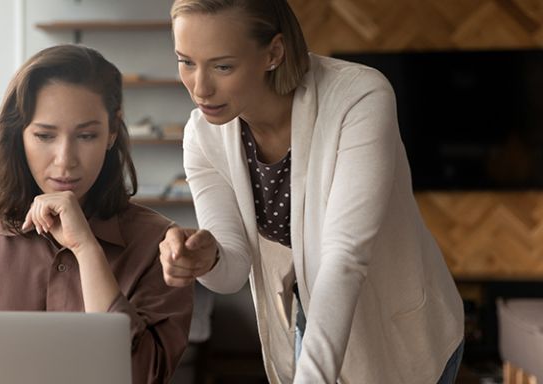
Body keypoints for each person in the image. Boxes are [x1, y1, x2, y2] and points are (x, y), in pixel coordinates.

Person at [158, 0, 465, 383]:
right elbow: (232, 271)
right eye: (186, 62)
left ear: (273, 52)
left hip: (402, 334)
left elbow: (344, 256)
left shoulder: (359, 98)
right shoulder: (202, 136)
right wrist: (207, 258)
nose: (199, 87)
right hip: (317, 321)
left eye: (223, 66)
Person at [0, 44, 193, 384]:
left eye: (87, 135)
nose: (65, 160)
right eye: (45, 136)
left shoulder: (157, 245)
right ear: (19, 135)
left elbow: (141, 377)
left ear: (112, 132)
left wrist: (87, 250)